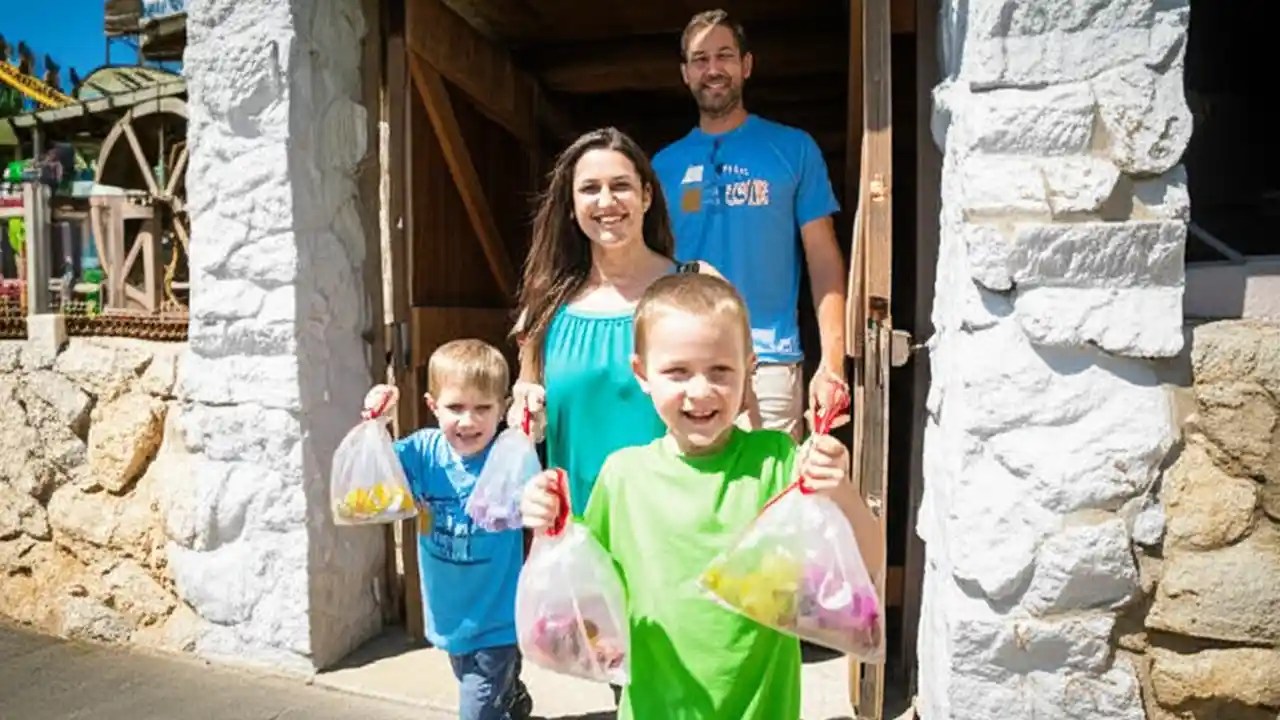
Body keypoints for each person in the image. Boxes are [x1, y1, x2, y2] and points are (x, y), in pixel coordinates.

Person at [519, 273, 883, 719]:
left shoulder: (777, 463)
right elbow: (586, 599)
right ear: (642, 374)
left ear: (749, 369)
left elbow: (867, 563)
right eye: (677, 372)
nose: (700, 391)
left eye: (720, 371)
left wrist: (840, 490)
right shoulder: (623, 477)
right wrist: (549, 526)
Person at [507, 127, 727, 519]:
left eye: (620, 186)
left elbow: (740, 407)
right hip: (578, 536)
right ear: (571, 206)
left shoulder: (699, 284)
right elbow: (525, 415)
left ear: (646, 196)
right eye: (590, 188)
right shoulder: (544, 308)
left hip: (681, 528)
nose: (606, 201)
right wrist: (525, 414)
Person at [652, 9, 849, 442]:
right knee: (687, 502)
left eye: (724, 55)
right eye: (700, 59)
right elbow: (644, 266)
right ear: (685, 74)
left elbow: (822, 259)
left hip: (770, 363)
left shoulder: (793, 149)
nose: (713, 69)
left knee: (769, 504)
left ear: (746, 66)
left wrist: (832, 362)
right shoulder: (661, 166)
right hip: (681, 362)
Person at [362, 339, 537, 720]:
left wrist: (530, 432)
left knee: (476, 708)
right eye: (455, 407)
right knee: (476, 682)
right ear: (432, 406)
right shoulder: (425, 453)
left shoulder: (507, 455)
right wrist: (378, 424)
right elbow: (379, 472)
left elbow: (535, 499)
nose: (468, 420)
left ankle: (505, 692)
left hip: (498, 616)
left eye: (483, 408)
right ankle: (512, 695)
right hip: (449, 612)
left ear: (502, 408)